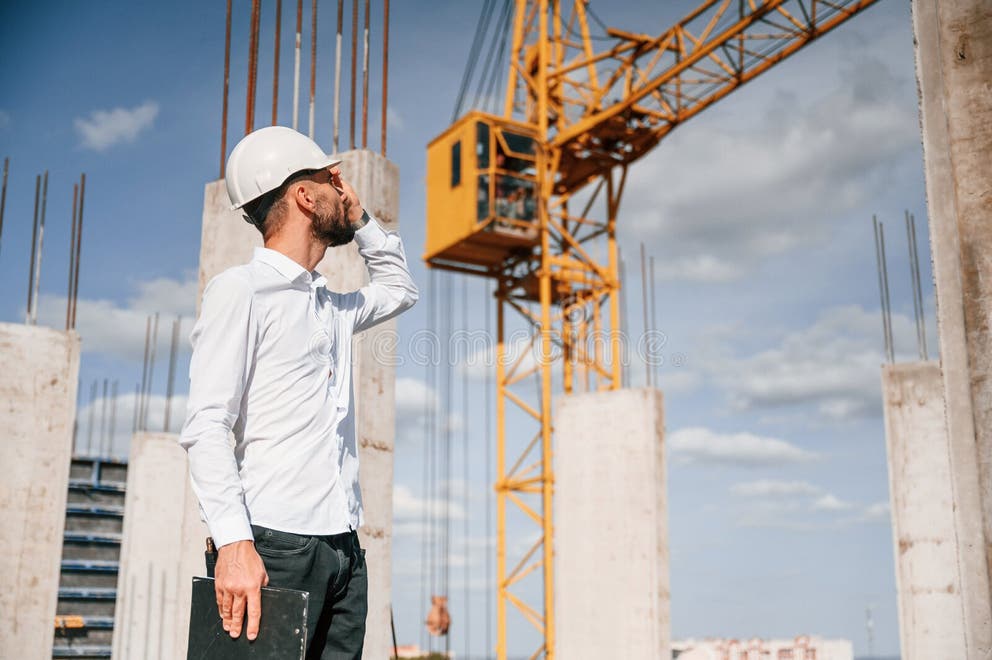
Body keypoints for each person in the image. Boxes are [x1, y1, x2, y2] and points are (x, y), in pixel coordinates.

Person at [179, 125, 418, 659]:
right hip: (272, 547)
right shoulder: (240, 291)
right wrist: (235, 544)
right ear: (305, 196)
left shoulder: (330, 307)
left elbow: (401, 289)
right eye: (331, 180)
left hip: (343, 551)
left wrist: (361, 219)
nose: (343, 189)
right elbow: (207, 424)